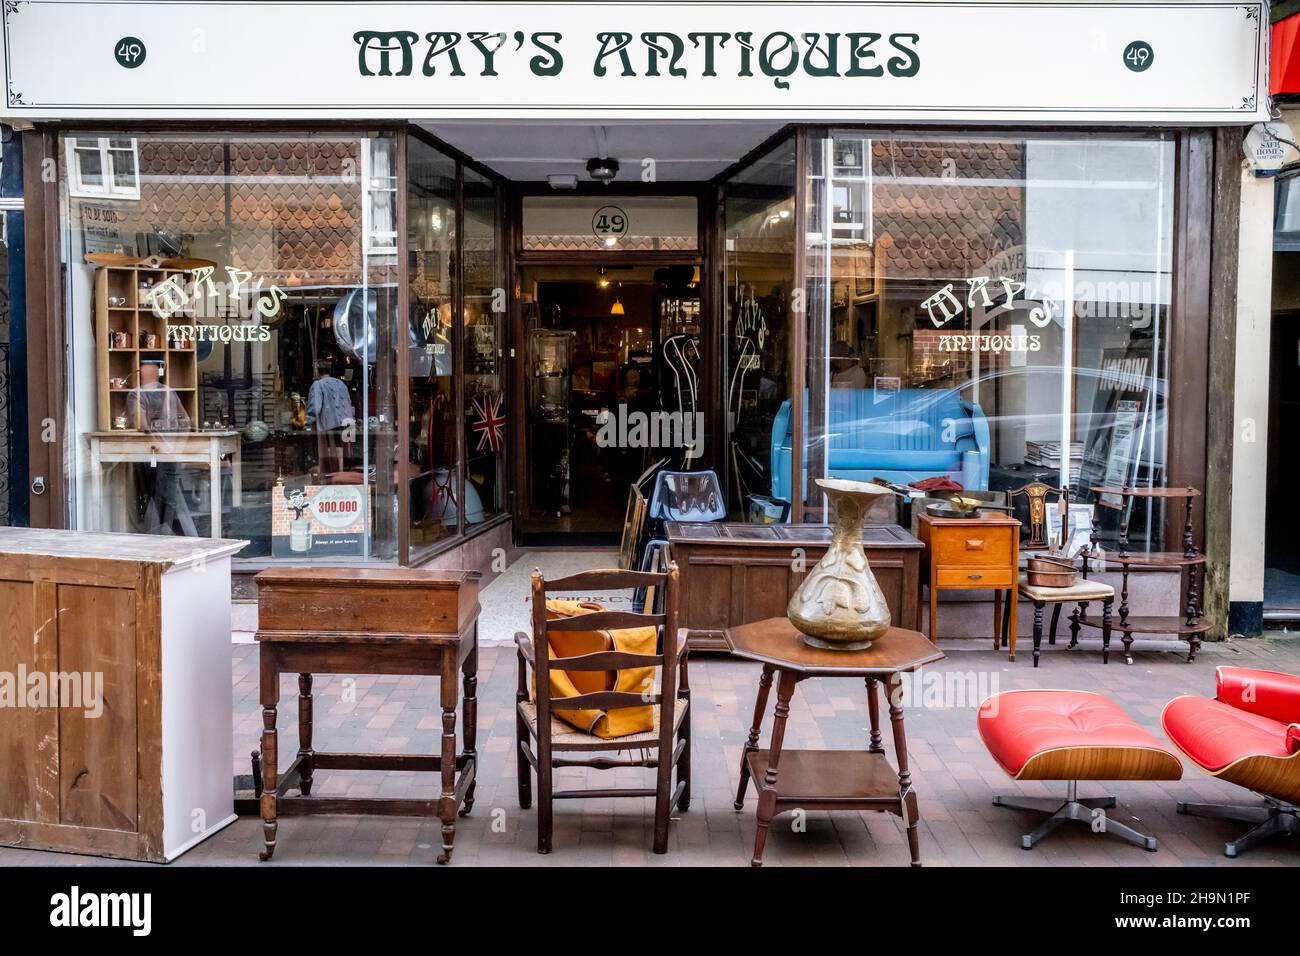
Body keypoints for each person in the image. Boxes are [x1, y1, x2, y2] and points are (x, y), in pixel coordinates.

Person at [127, 360, 198, 536]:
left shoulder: (136, 394)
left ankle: (159, 536)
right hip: (167, 452)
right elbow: (186, 421)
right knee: (168, 498)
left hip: (150, 453)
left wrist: (157, 437)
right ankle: (165, 535)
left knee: (155, 497)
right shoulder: (168, 392)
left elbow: (142, 424)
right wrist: (178, 447)